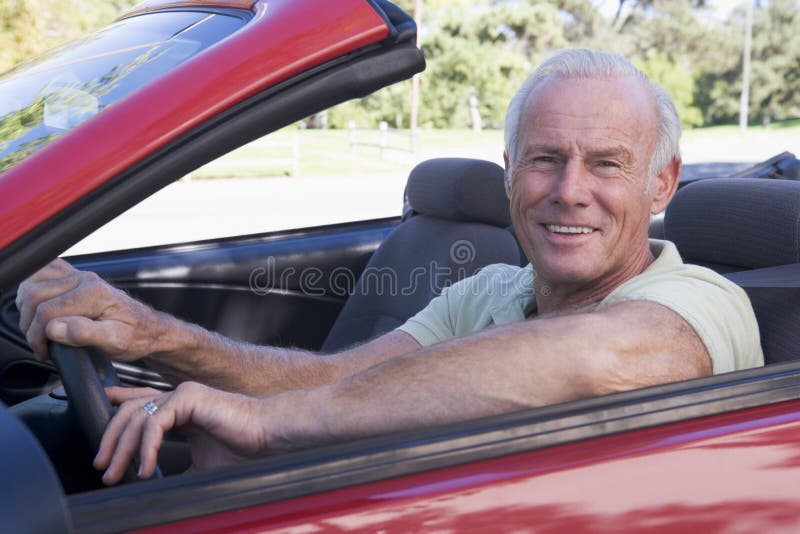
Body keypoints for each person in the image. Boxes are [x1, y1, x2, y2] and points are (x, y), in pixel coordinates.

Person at [16, 49, 763, 486]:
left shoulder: (699, 302)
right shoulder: (492, 291)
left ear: (661, 184)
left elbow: (598, 359)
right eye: (544, 159)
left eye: (607, 164)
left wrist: (267, 425)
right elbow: (337, 380)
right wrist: (157, 337)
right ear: (510, 174)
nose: (569, 190)